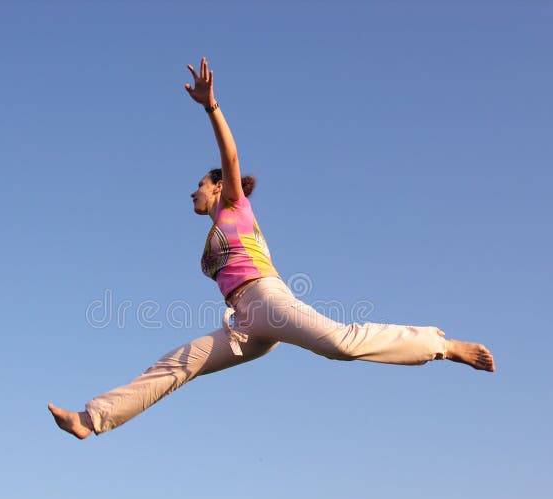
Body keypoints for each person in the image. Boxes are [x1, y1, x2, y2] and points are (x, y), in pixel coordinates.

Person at [49, 57, 495, 440]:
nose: (192, 193)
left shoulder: (234, 206)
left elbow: (232, 157)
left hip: (267, 299)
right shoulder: (215, 228)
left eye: (199, 185)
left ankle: (442, 344)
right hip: (245, 321)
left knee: (342, 344)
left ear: (219, 186)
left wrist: (212, 107)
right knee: (179, 363)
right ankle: (93, 418)